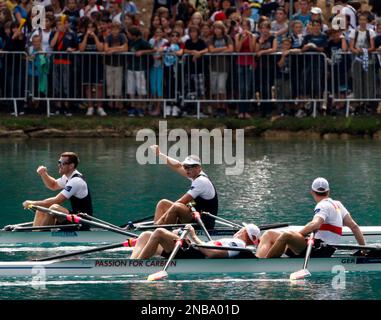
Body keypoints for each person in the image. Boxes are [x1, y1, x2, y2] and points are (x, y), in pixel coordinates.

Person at [256, 177, 366, 258]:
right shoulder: (338, 205)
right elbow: (355, 227)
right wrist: (363, 250)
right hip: (325, 249)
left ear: (312, 192)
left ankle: (265, 265)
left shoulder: (322, 205)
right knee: (269, 234)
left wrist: (298, 235)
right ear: (328, 192)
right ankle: (258, 261)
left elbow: (315, 224)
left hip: (319, 250)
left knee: (286, 235)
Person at [150, 145, 218, 229]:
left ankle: (159, 231)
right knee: (163, 204)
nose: (187, 170)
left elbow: (181, 201)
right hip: (194, 215)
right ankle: (156, 231)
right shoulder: (195, 174)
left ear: (199, 168)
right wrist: (159, 154)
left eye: (190, 167)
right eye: (186, 167)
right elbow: (178, 165)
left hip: (204, 224)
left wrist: (161, 220)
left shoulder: (201, 181)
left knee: (177, 206)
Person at [22, 152, 93, 229]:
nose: (59, 165)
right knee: (41, 209)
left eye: (62, 163)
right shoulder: (67, 177)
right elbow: (53, 185)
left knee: (54, 208)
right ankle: (35, 235)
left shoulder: (76, 181)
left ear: (71, 166)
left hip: (82, 220)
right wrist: (43, 174)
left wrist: (32, 203)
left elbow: (57, 200)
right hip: (73, 217)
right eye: (59, 162)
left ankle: (41, 235)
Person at [131, 223, 260, 259]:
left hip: (195, 254)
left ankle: (136, 266)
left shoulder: (238, 243)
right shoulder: (235, 242)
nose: (239, 230)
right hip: (193, 249)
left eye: (242, 229)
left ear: (244, 232)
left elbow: (213, 254)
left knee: (159, 232)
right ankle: (132, 263)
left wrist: (193, 236)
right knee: (146, 235)